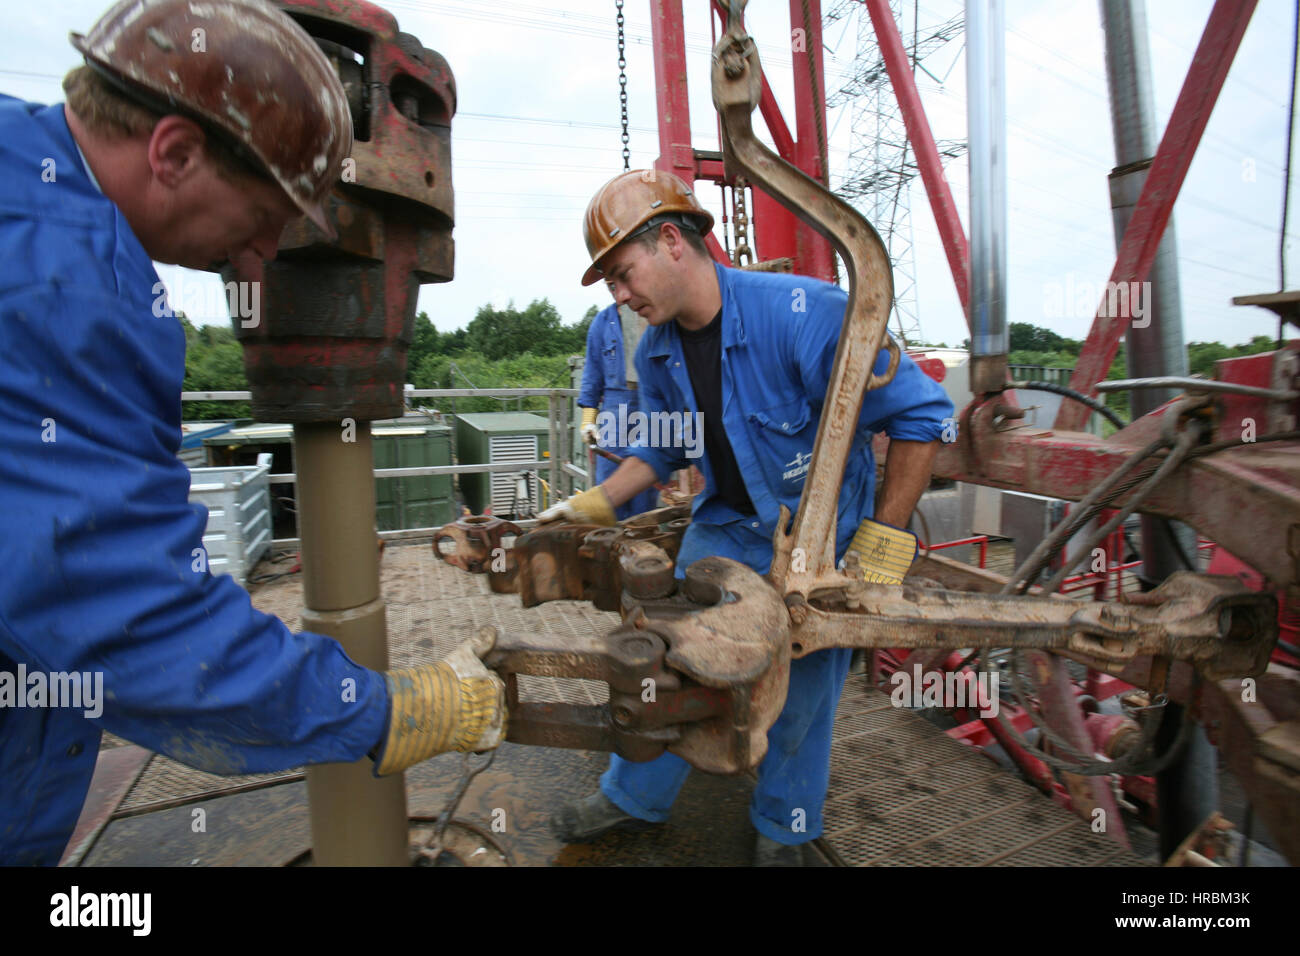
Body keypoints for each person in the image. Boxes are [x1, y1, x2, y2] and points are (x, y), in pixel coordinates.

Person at [0, 0, 505, 866]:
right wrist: (397, 712)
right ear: (175, 153)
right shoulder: (71, 290)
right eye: (264, 216)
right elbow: (145, 634)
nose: (263, 255)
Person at [542, 169, 954, 865]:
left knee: (800, 689)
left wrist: (883, 539)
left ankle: (784, 827)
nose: (619, 295)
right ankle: (633, 798)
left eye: (621, 273)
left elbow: (923, 417)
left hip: (821, 534)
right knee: (673, 657)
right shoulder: (661, 349)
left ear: (671, 240)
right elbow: (662, 448)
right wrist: (592, 502)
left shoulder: (807, 314)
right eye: (611, 281)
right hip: (726, 523)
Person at [578, 303, 659, 520]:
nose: (616, 290)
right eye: (610, 284)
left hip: (651, 408)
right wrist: (588, 420)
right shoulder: (602, 322)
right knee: (609, 485)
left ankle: (643, 537)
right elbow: (592, 375)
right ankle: (611, 543)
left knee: (645, 485)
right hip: (614, 418)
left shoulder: (654, 313)